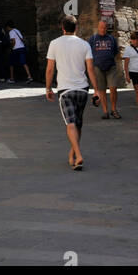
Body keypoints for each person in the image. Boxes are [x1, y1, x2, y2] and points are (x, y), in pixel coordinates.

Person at [45, 15, 98, 171]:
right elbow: (90, 69)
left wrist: (48, 88)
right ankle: (72, 154)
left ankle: (79, 154)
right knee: (78, 123)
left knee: (70, 123)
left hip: (65, 90)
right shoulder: (84, 45)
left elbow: (50, 69)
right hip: (82, 89)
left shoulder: (54, 44)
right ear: (76, 28)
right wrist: (96, 90)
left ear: (62, 27)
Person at [89, 18, 121, 118]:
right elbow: (88, 52)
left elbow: (116, 52)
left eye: (105, 27)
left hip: (111, 67)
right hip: (98, 68)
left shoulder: (111, 39)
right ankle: (105, 111)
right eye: (101, 27)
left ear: (107, 28)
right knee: (102, 90)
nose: (103, 29)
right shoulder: (93, 39)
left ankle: (114, 110)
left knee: (113, 88)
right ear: (98, 28)